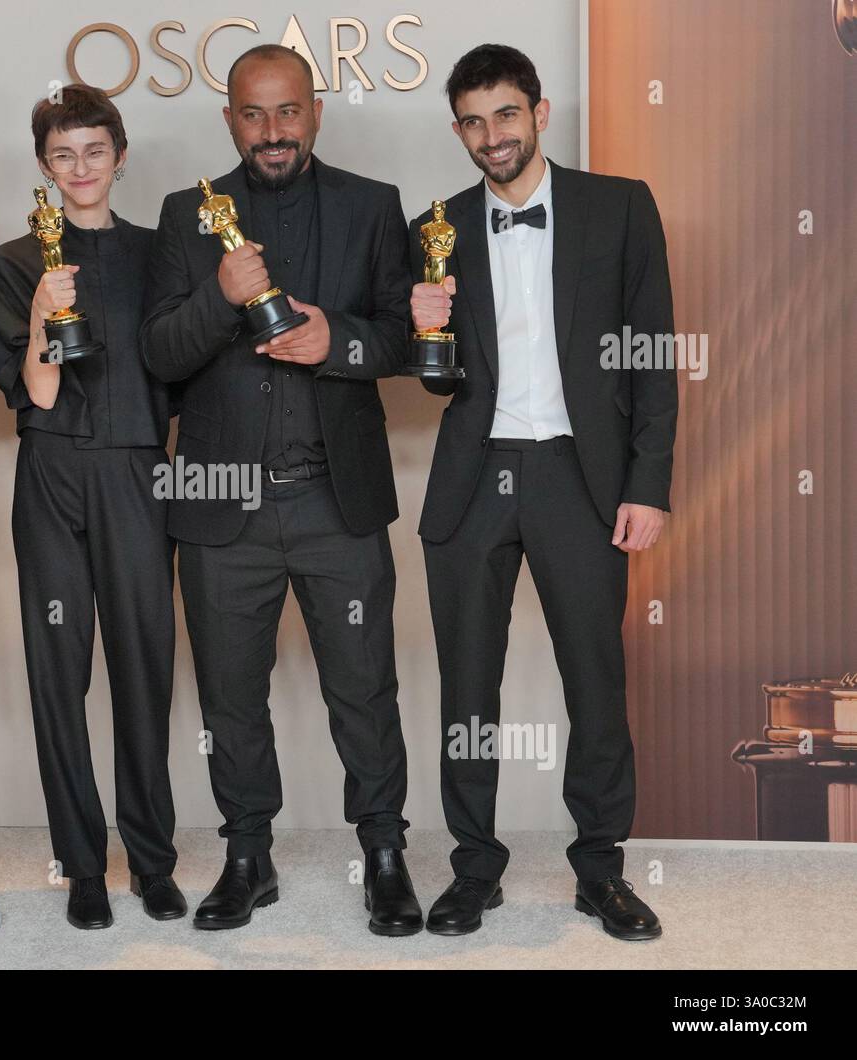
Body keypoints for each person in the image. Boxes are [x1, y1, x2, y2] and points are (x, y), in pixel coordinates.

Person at [141, 44, 421, 936]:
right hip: (223, 506)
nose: (273, 131)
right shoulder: (188, 214)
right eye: (254, 114)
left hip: (335, 502)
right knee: (230, 698)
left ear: (315, 113)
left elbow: (405, 342)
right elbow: (158, 357)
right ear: (230, 119)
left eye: (288, 111)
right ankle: (247, 856)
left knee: (365, 689)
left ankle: (383, 854)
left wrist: (334, 338)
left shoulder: (373, 207)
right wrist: (222, 297)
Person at [409, 43, 677, 940]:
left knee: (595, 684)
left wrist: (649, 485)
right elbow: (436, 384)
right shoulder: (435, 225)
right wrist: (424, 338)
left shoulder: (620, 206)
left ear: (540, 113)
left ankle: (600, 871)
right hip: (474, 478)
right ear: (458, 130)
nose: (493, 137)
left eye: (507, 116)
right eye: (475, 122)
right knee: (467, 691)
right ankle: (473, 868)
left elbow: (653, 358)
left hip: (580, 474)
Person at [0, 84, 185, 930]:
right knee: (57, 672)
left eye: (94, 151)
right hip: (54, 472)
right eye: (62, 155)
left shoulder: (160, 252)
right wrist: (41, 312)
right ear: (43, 166)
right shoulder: (13, 259)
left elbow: (185, 369)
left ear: (120, 155)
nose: (80, 168)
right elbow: (33, 388)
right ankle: (82, 865)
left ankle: (151, 858)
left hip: (140, 471)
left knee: (145, 665)